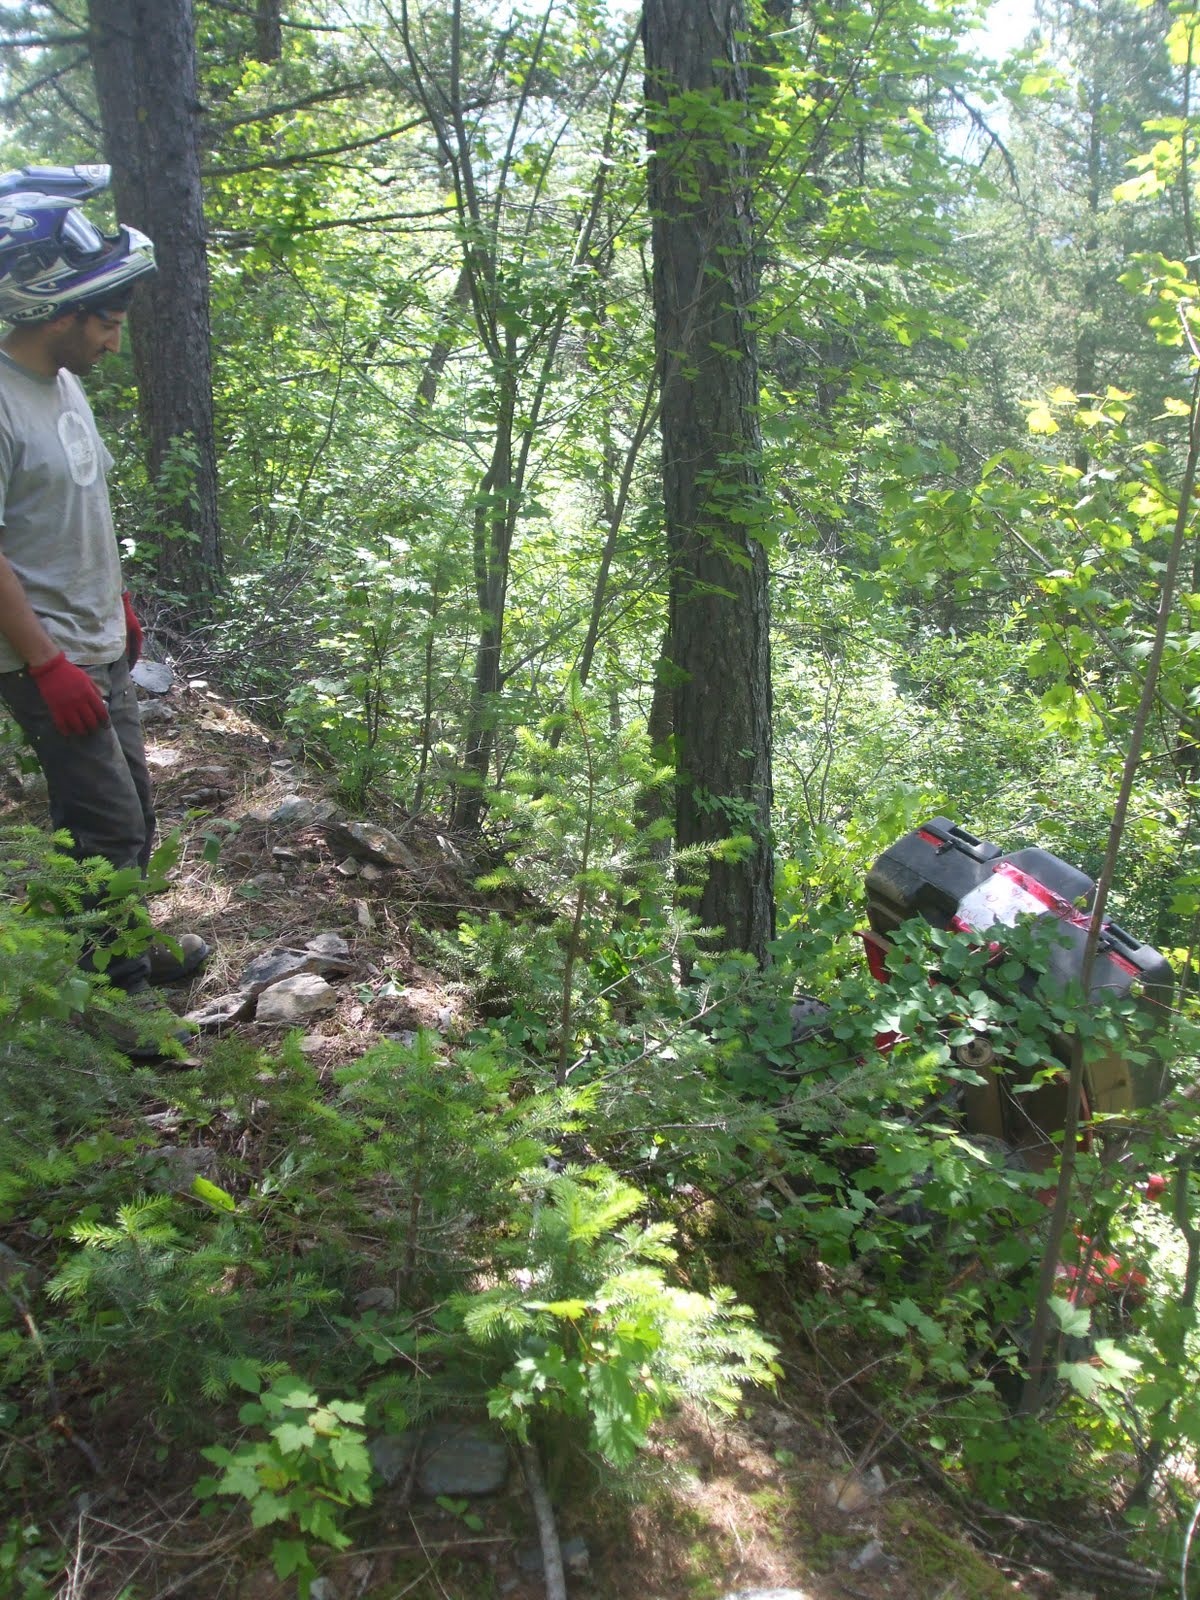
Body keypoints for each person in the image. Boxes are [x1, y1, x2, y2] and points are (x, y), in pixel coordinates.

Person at [0, 163, 209, 1018]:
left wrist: (117, 604)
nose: (114, 341)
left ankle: (120, 942)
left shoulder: (65, 386)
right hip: (45, 657)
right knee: (106, 830)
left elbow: (78, 503)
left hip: (97, 644)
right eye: (107, 321)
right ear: (51, 306)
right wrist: (46, 664)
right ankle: (117, 1003)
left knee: (134, 811)